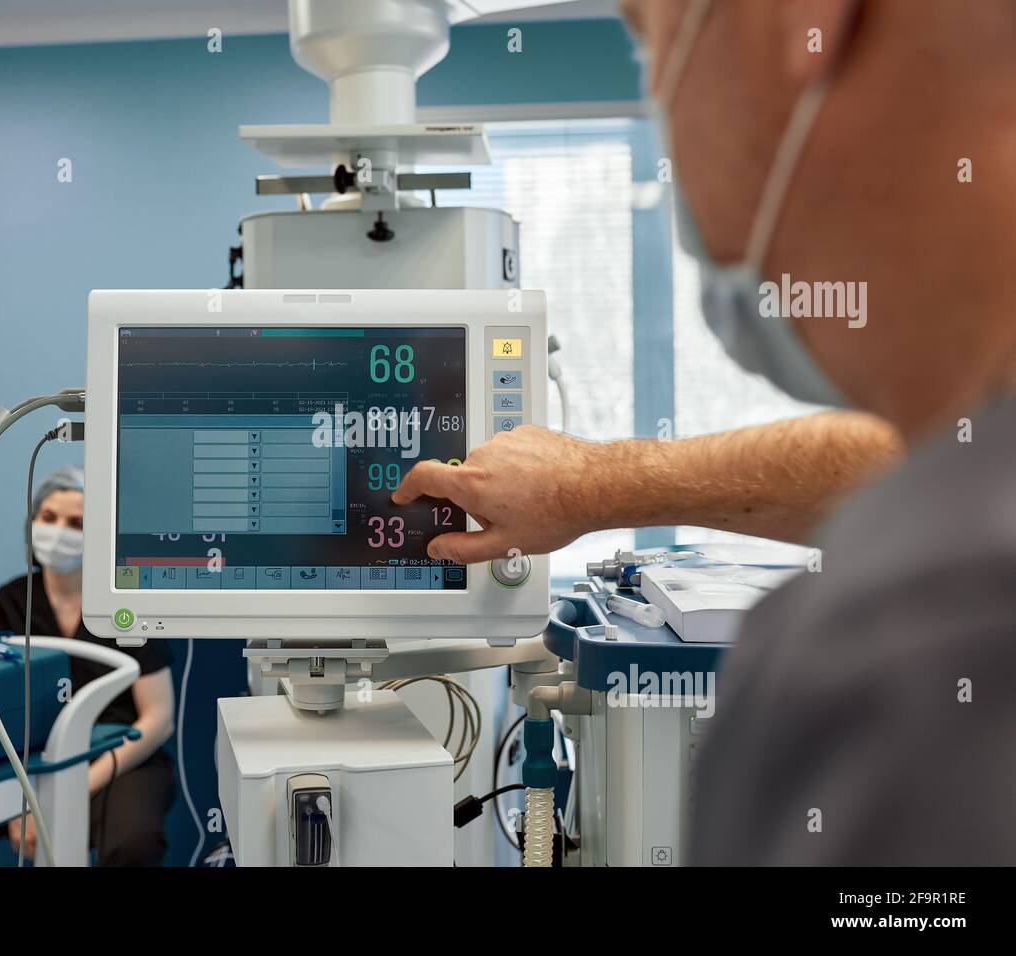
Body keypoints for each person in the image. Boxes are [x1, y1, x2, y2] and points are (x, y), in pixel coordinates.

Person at [393, 0, 1016, 863]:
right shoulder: (962, 511)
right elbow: (922, 461)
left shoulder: (904, 649)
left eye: (647, 40)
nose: (657, 94)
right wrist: (589, 486)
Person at [0, 465, 177, 866]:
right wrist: (26, 792)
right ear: (32, 521)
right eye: (49, 518)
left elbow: (159, 718)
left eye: (77, 523)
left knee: (133, 843)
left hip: (119, 757)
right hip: (31, 759)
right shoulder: (12, 602)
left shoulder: (126, 604)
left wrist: (78, 785)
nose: (58, 532)